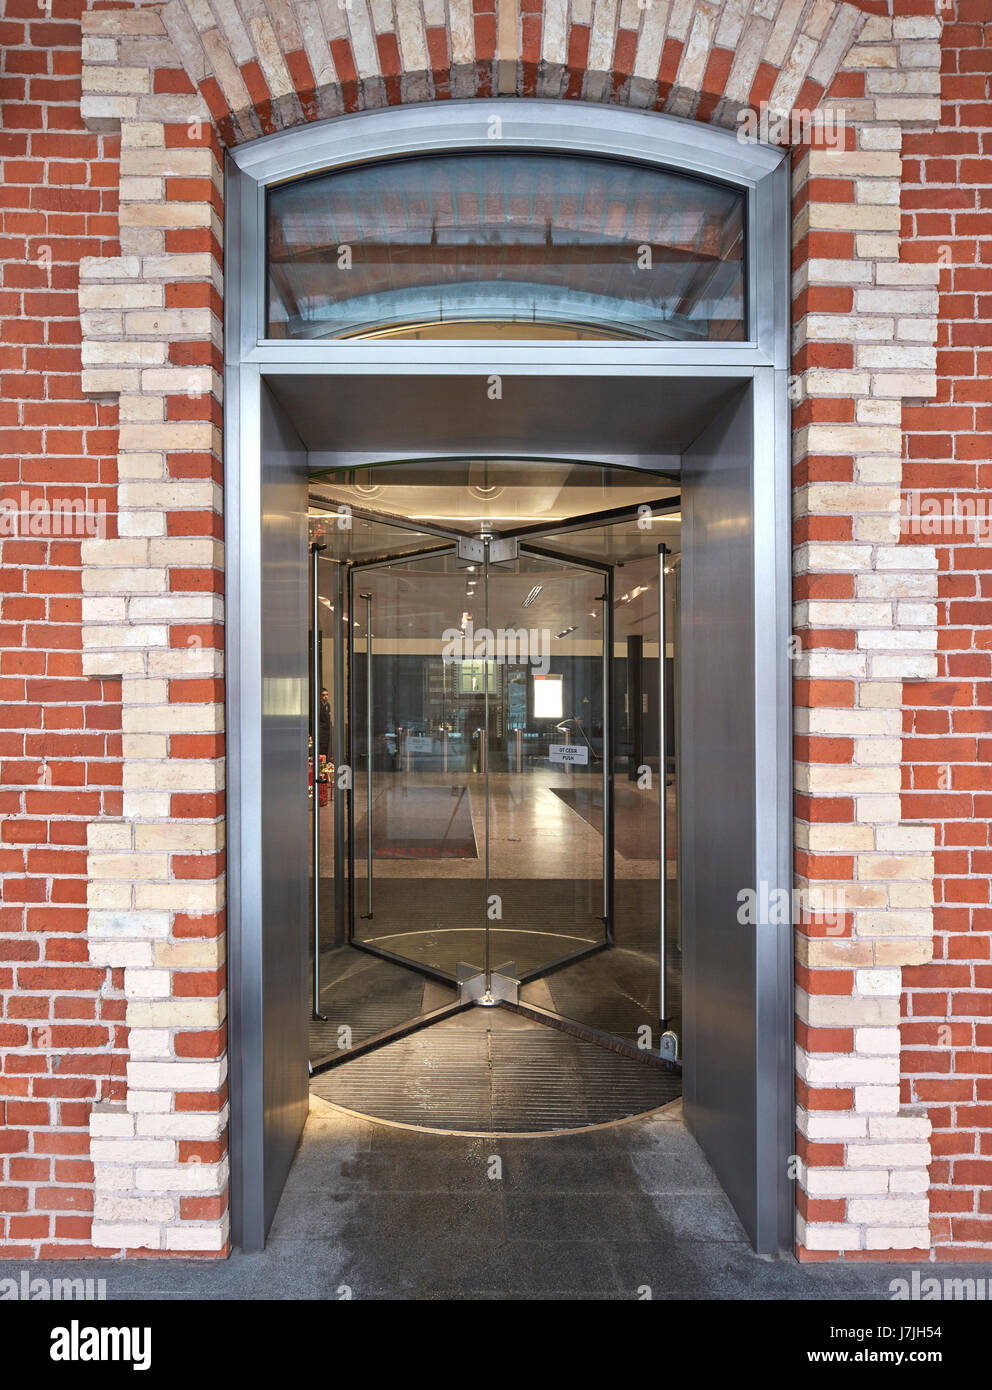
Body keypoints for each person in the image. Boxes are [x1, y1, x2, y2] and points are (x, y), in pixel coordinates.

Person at [319, 688, 332, 761]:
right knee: (321, 751)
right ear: (321, 696)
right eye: (324, 695)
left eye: (327, 694)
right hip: (321, 733)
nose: (326, 696)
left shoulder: (328, 705)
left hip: (327, 732)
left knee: (326, 750)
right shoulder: (318, 706)